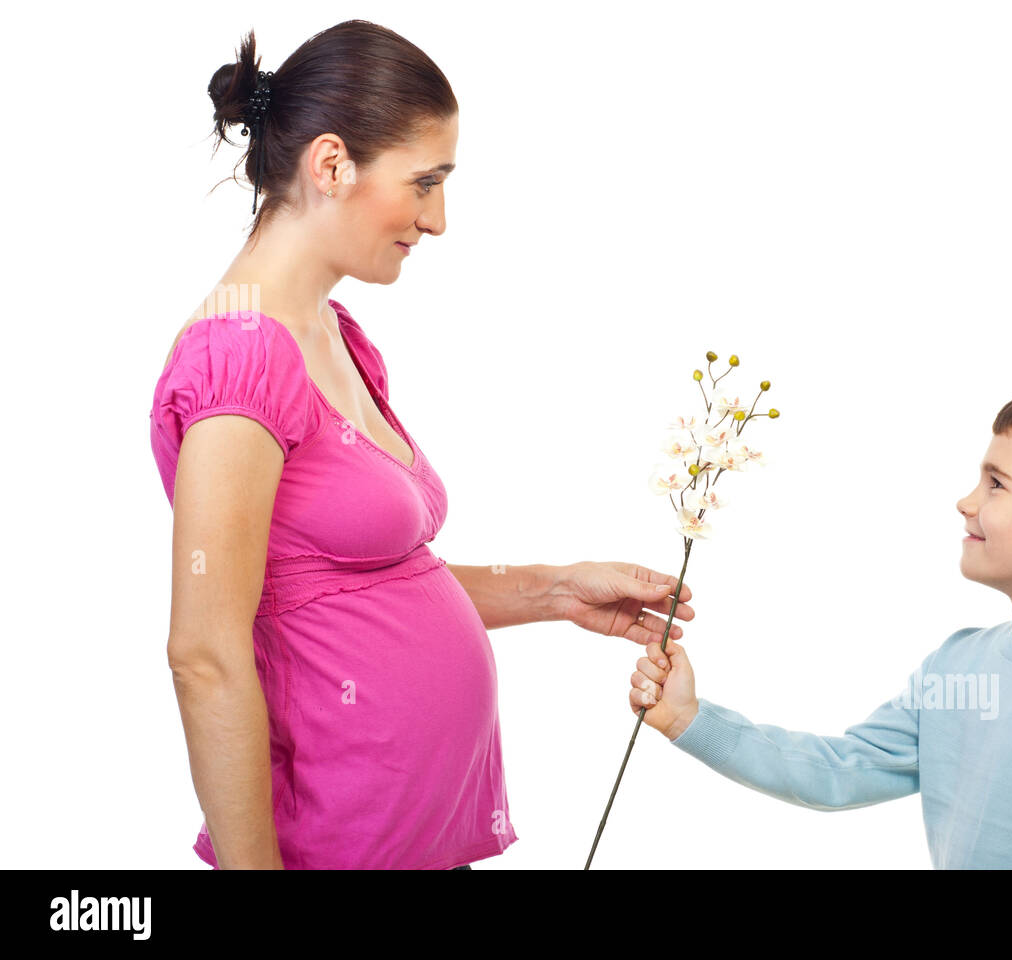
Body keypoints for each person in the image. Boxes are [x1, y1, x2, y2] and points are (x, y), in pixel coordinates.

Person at [151, 21, 694, 870]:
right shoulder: (237, 358)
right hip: (336, 844)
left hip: (415, 839)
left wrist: (555, 590)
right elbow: (205, 654)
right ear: (330, 166)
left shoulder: (333, 336)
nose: (438, 220)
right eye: (425, 183)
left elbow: (362, 587)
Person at [631, 385, 1012, 868]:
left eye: (996, 484)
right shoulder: (956, 664)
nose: (965, 500)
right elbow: (841, 771)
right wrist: (689, 719)